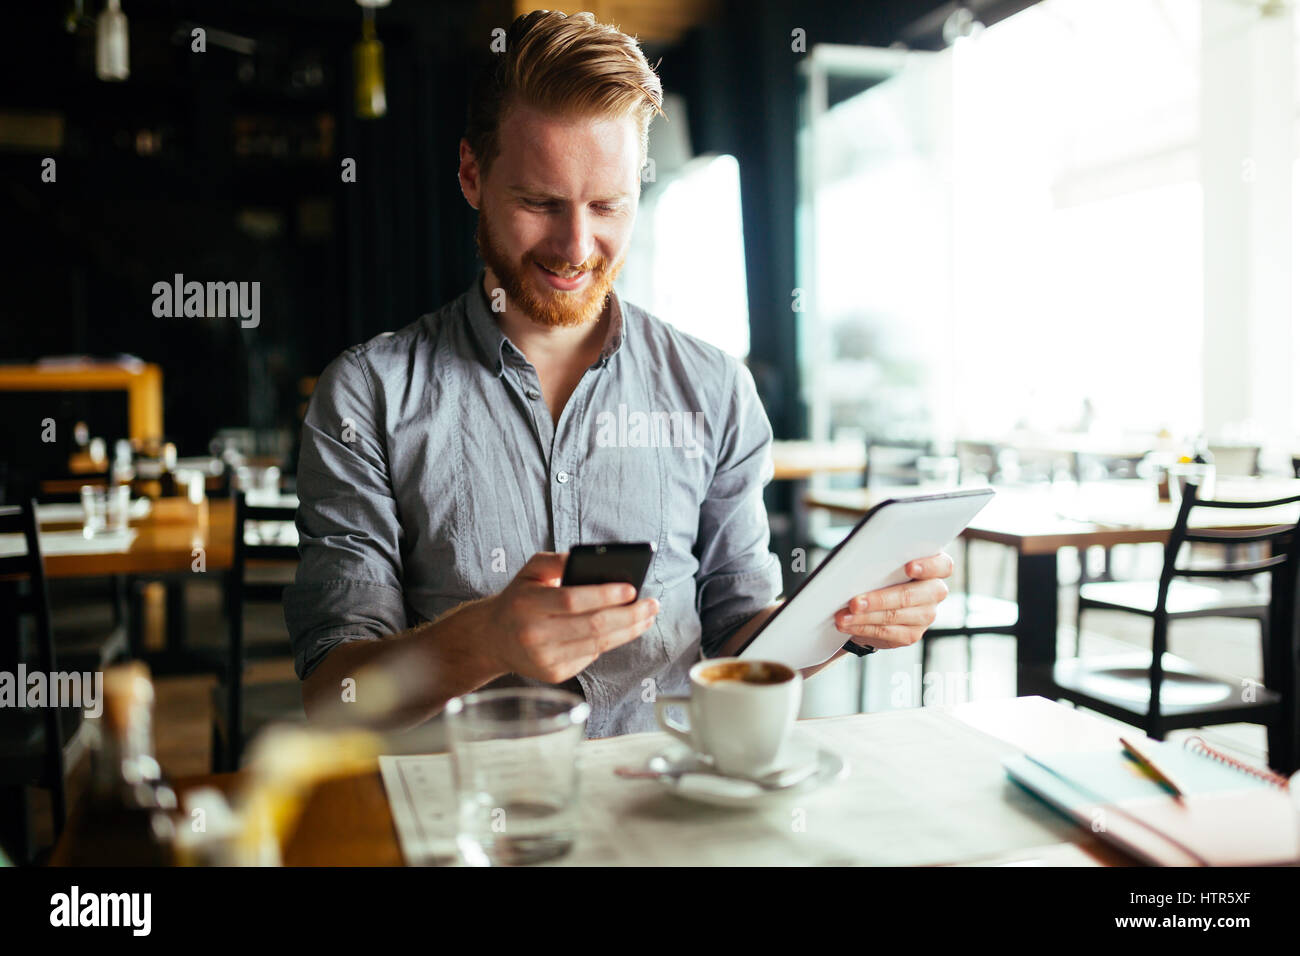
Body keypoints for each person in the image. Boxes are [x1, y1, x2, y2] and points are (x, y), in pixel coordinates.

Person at [285, 10, 952, 736]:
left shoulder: (716, 388)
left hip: (669, 806)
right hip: (467, 819)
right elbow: (333, 698)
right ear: (472, 175)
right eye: (540, 202)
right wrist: (486, 639)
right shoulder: (369, 393)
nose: (576, 247)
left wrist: (842, 618)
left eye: (607, 205)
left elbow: (737, 637)